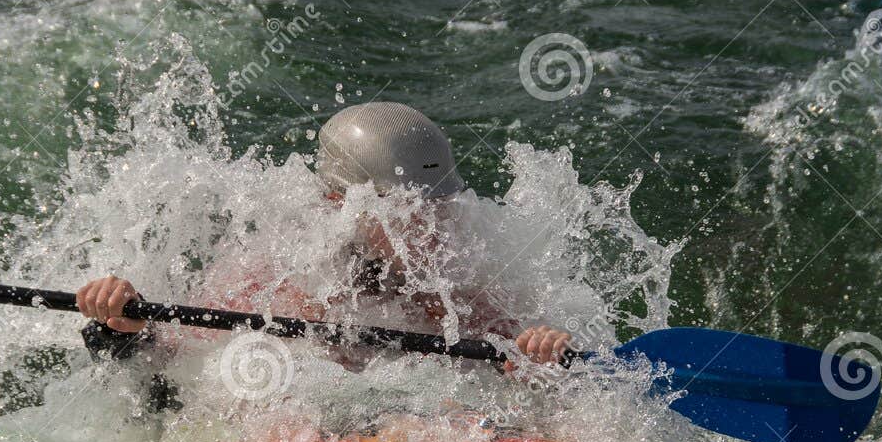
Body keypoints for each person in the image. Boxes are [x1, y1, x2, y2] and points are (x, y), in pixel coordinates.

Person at [76, 102, 574, 377]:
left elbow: (518, 362)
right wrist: (123, 327)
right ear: (340, 204)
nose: (430, 226)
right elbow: (168, 375)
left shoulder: (458, 280)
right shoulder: (274, 278)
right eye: (405, 210)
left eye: (439, 206)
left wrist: (541, 360)